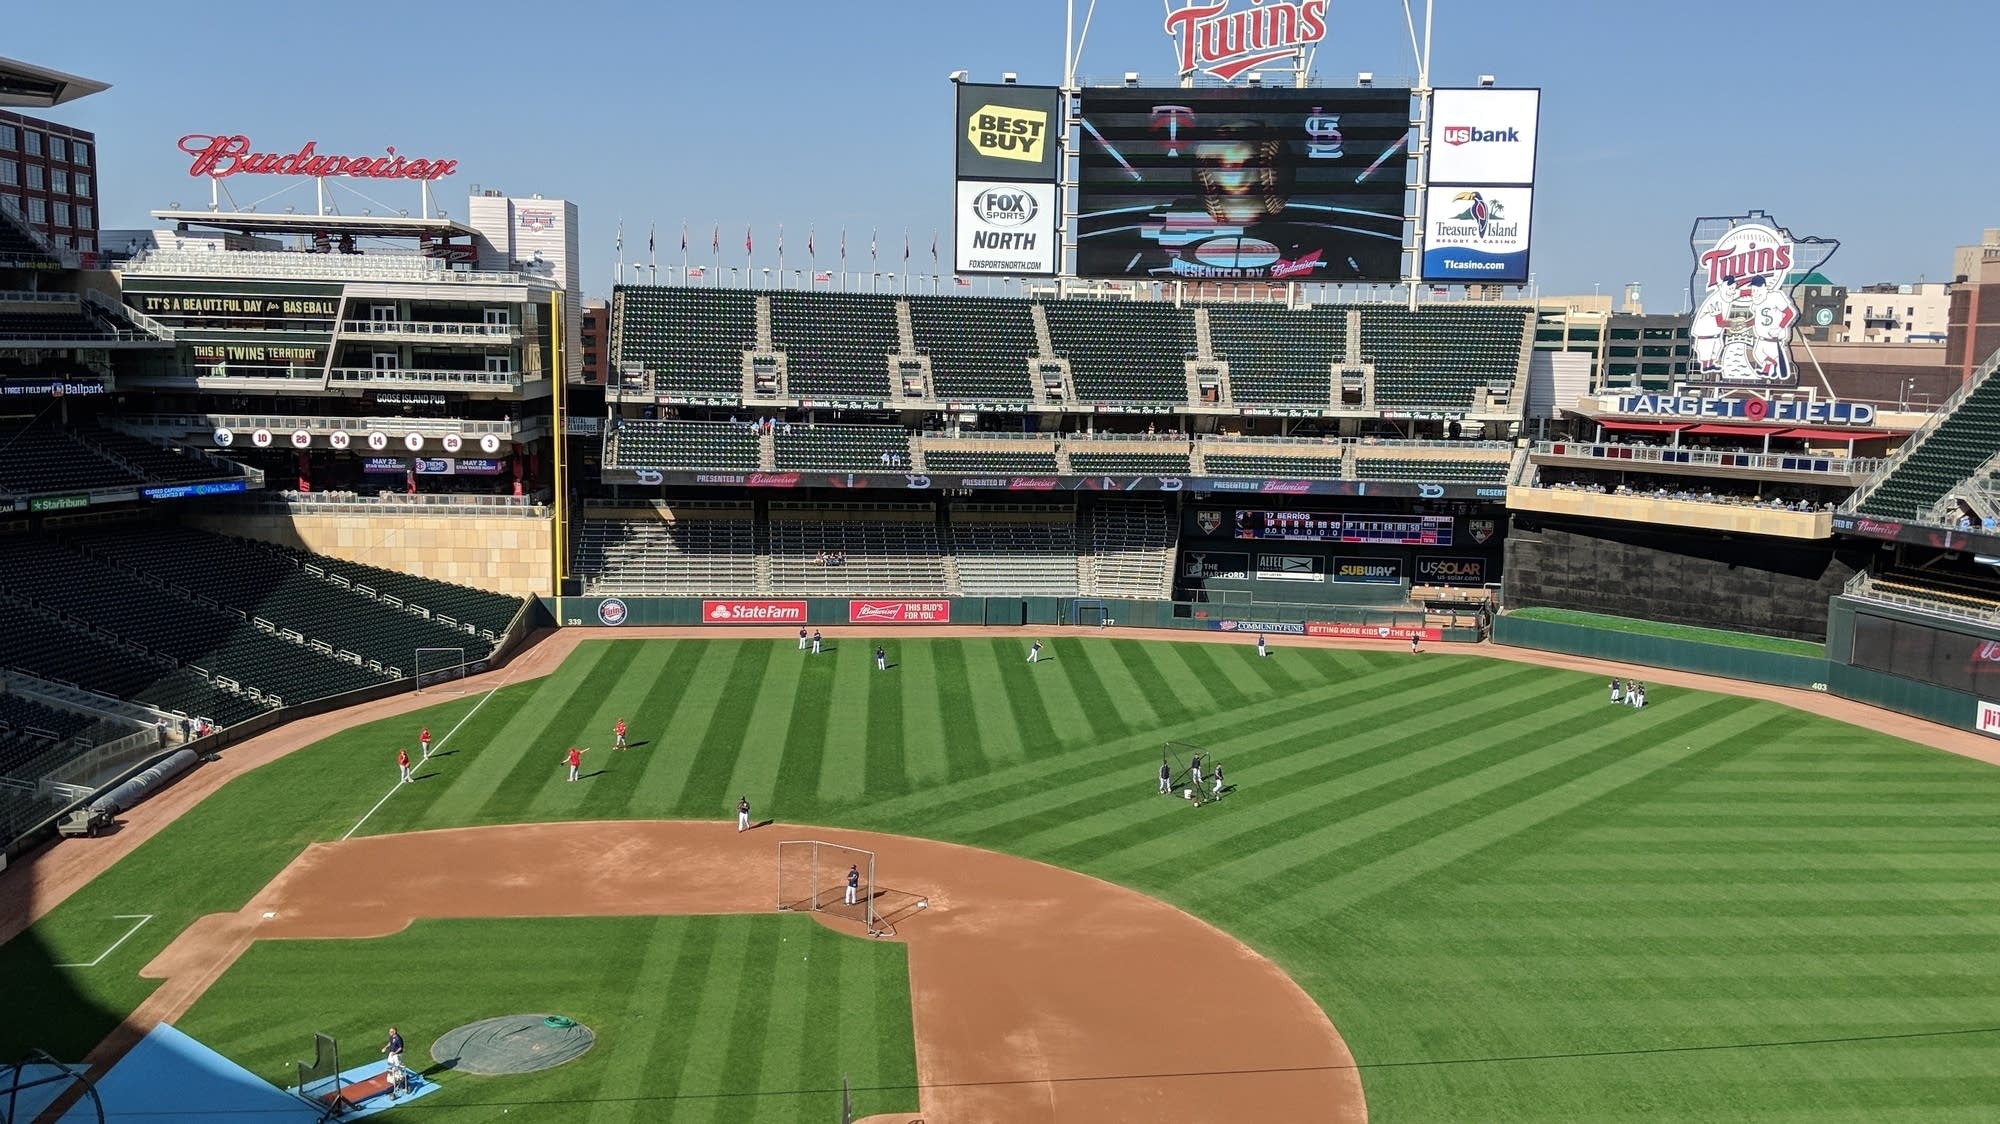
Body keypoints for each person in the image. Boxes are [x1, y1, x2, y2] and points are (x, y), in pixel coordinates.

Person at [382, 1027, 406, 1096]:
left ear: (394, 1031)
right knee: (390, 1063)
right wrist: (385, 1047)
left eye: (391, 1031)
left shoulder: (399, 1038)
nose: (389, 1033)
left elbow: (400, 1048)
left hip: (397, 1054)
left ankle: (400, 1077)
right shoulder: (391, 1037)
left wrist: (395, 1053)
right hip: (392, 1053)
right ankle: (394, 1072)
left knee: (398, 1065)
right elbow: (390, 1043)